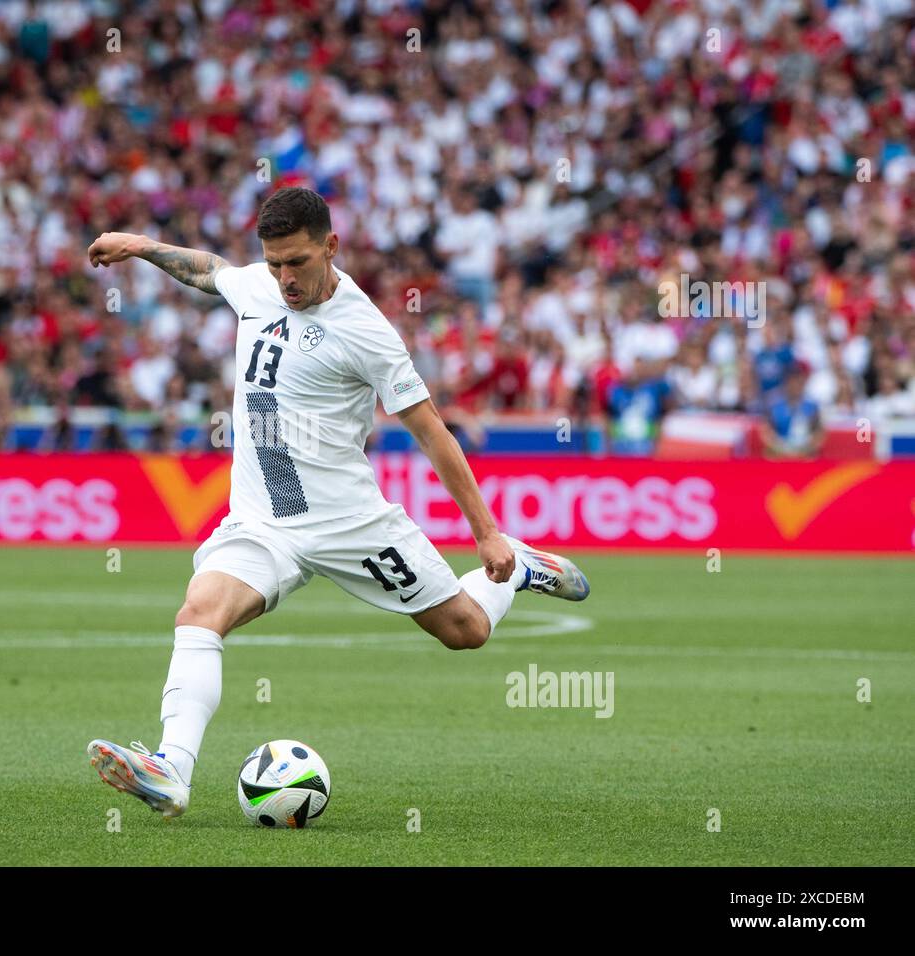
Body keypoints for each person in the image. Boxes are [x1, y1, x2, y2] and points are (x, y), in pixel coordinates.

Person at [82, 187, 590, 820]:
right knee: (198, 614)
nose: (285, 278)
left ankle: (519, 560)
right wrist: (146, 247)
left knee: (466, 632)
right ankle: (172, 772)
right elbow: (213, 272)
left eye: (297, 261)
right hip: (262, 519)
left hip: (351, 522)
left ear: (331, 246)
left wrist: (486, 532)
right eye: (274, 263)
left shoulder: (365, 330)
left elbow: (432, 430)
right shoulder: (260, 286)